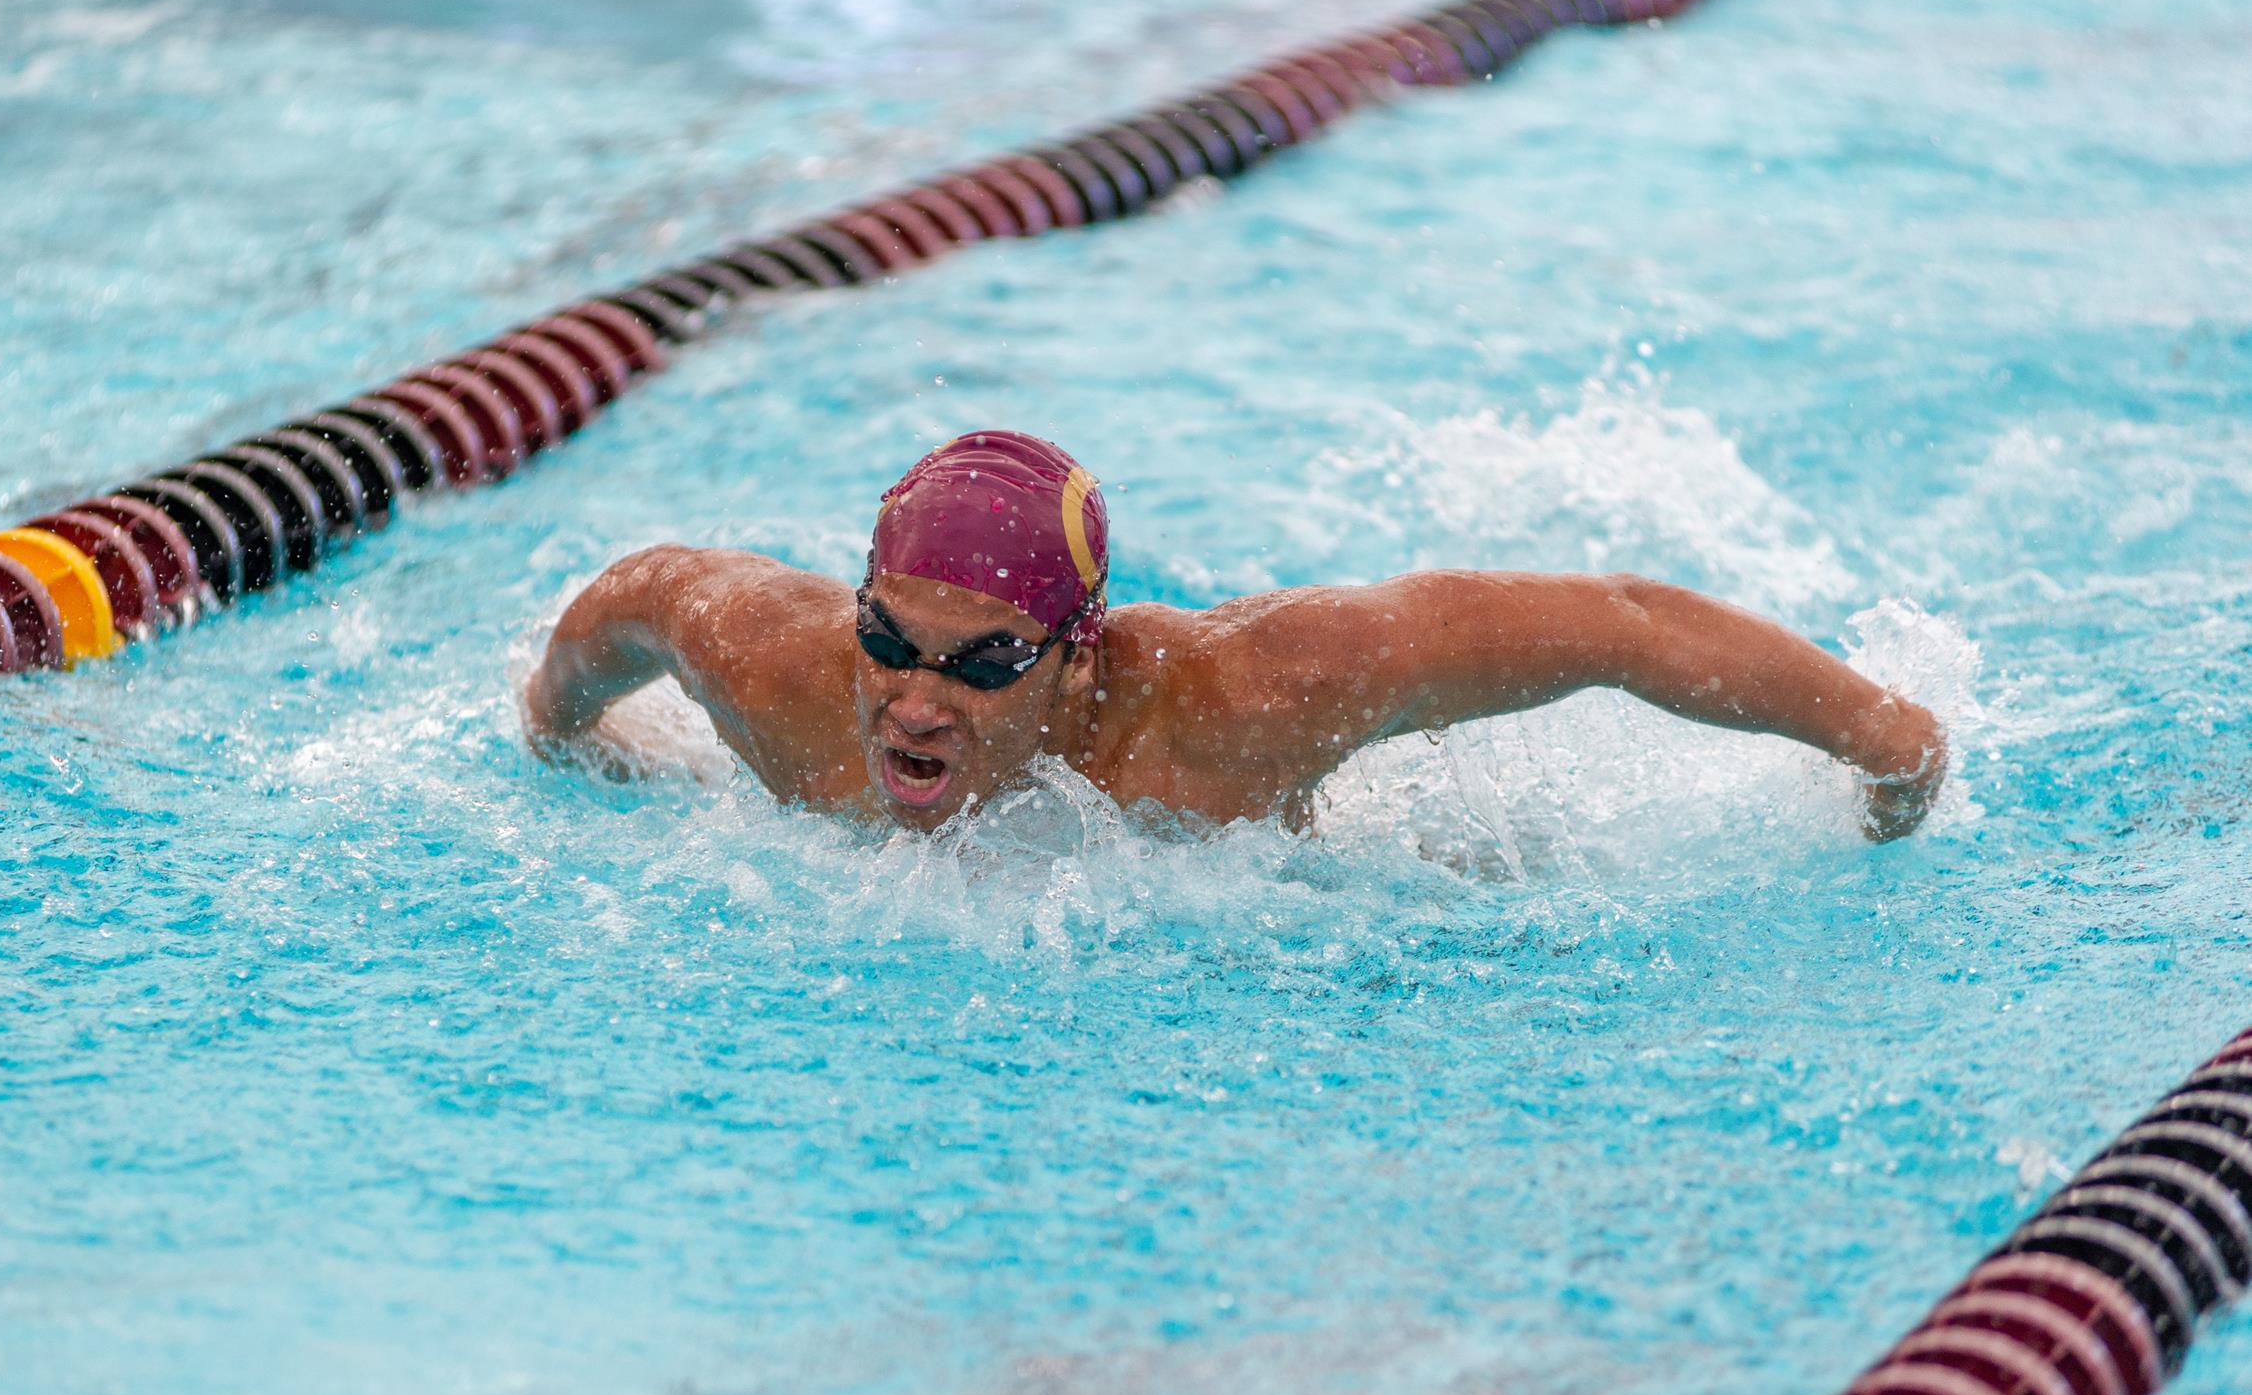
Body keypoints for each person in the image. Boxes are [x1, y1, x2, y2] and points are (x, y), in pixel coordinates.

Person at [525, 430, 1947, 839]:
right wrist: (555, 727)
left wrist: (1889, 740)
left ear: (1078, 650)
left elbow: (1621, 626)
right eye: (891, 642)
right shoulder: (784, 674)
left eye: (983, 663)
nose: (913, 700)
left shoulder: (1245, 700)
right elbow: (639, 597)